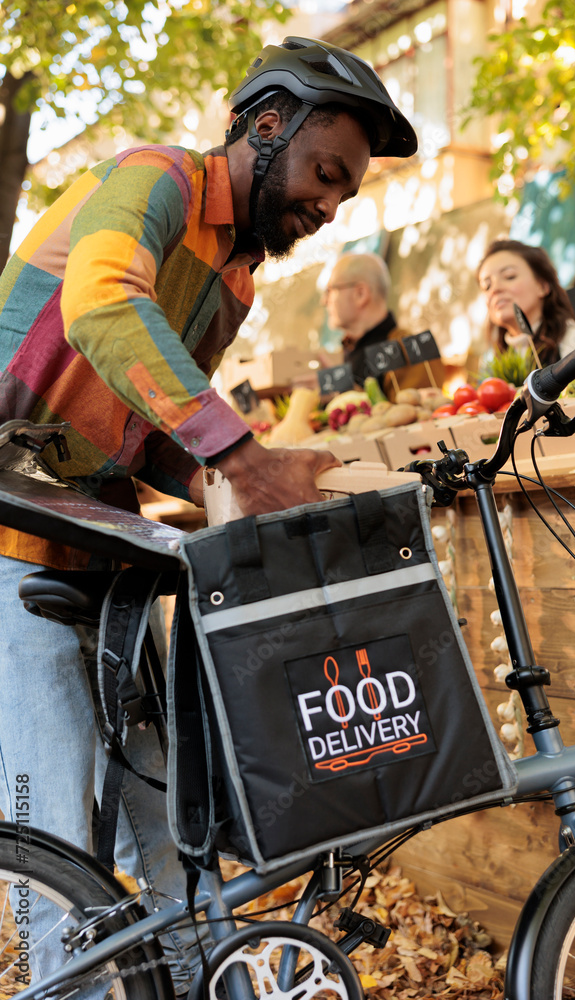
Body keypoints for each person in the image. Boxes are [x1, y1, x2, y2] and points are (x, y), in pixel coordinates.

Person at [0, 36, 417, 991]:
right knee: (57, 839)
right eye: (324, 173)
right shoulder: (155, 182)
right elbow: (104, 307)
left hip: (98, 547)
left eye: (344, 194)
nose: (327, 204)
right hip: (13, 535)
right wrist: (237, 452)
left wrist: (267, 483)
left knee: (166, 818)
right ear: (264, 127)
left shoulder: (233, 271)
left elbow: (151, 434)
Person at [323, 251, 447, 399]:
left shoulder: (415, 348)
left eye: (330, 290)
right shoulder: (344, 352)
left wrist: (342, 390)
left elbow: (416, 415)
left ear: (360, 294)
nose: (324, 301)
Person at [477, 238, 575, 368]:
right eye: (487, 286)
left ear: (543, 286)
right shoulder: (493, 363)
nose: (495, 289)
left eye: (509, 276)